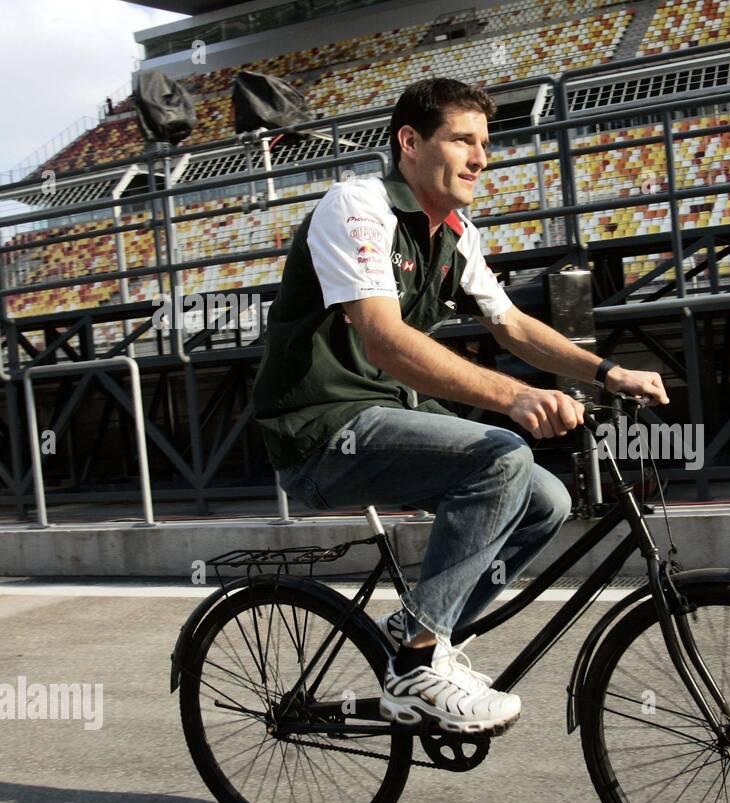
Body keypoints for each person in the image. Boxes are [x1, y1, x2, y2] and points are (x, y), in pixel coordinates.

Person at [251, 77, 668, 736]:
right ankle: (417, 663)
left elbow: (513, 327)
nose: (481, 157)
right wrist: (516, 395)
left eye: (485, 142)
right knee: (503, 454)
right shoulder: (356, 206)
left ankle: (425, 636)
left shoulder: (455, 232)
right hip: (320, 429)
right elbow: (384, 340)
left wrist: (609, 371)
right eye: (463, 140)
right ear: (410, 143)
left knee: (547, 499)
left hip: (384, 416)